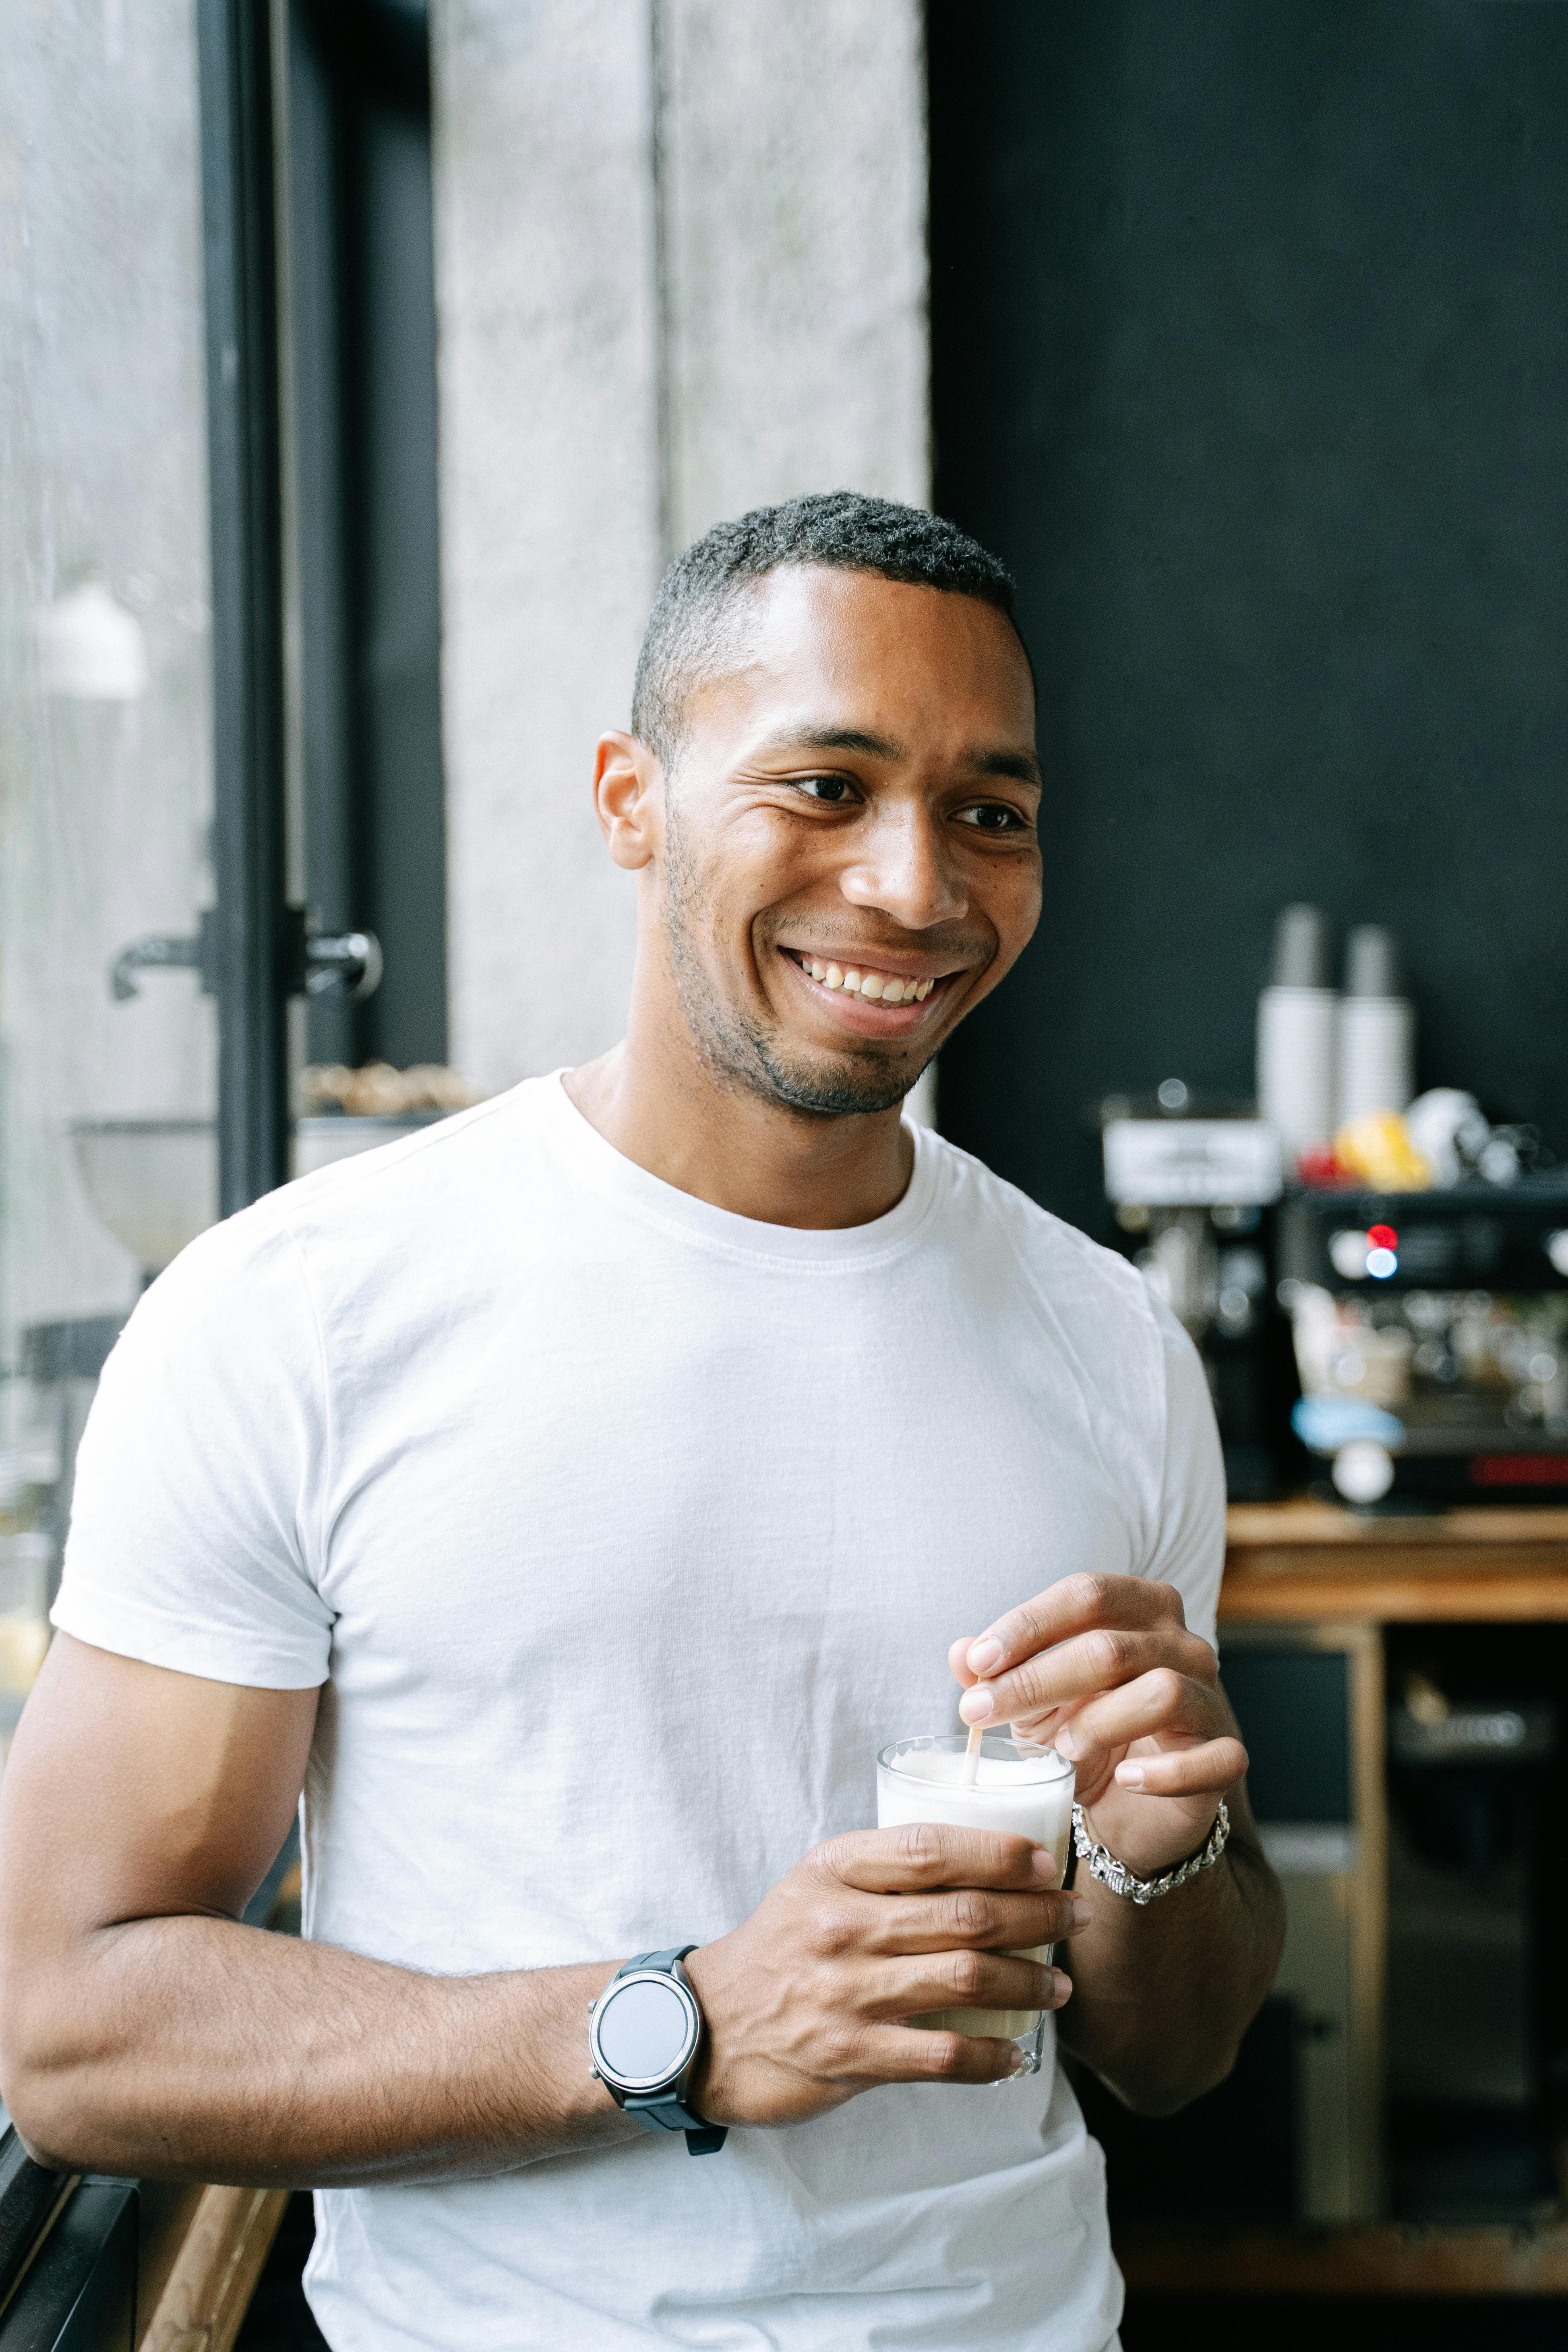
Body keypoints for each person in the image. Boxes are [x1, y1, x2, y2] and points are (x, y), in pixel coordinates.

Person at [0, 493, 1283, 2351]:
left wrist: (1160, 1854)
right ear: (631, 800)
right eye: (826, 786)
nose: (913, 885)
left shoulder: (1111, 1346)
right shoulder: (302, 1311)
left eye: (986, 813)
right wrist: (679, 2021)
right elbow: (70, 2034)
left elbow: (1177, 2052)